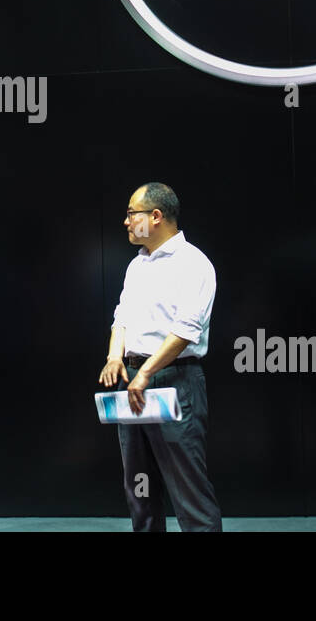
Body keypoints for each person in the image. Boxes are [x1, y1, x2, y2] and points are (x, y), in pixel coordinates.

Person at [98, 182, 222, 532]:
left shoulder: (193, 264)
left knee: (188, 491)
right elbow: (121, 317)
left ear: (156, 216)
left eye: (130, 213)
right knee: (140, 491)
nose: (125, 221)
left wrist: (147, 372)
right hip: (133, 381)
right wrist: (114, 357)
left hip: (174, 381)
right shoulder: (137, 265)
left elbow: (186, 331)